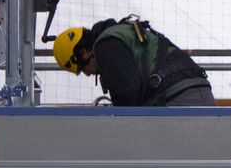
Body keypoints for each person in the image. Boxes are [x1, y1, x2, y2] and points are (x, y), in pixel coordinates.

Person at [51, 14, 221, 108]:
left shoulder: (105, 46)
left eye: (83, 68)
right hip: (198, 92)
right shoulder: (123, 34)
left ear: (84, 52)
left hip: (178, 100)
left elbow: (127, 99)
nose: (88, 74)